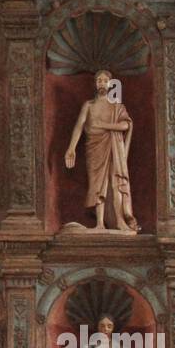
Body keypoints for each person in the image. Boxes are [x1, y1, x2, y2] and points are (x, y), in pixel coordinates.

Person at [64, 69, 140, 232]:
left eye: (105, 81)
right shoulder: (89, 105)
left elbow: (126, 124)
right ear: (95, 84)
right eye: (99, 81)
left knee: (116, 182)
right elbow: (79, 126)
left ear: (110, 84)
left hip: (113, 148)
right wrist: (71, 148)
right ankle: (99, 223)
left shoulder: (117, 107)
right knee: (97, 185)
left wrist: (103, 126)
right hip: (95, 147)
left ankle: (120, 221)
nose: (102, 84)